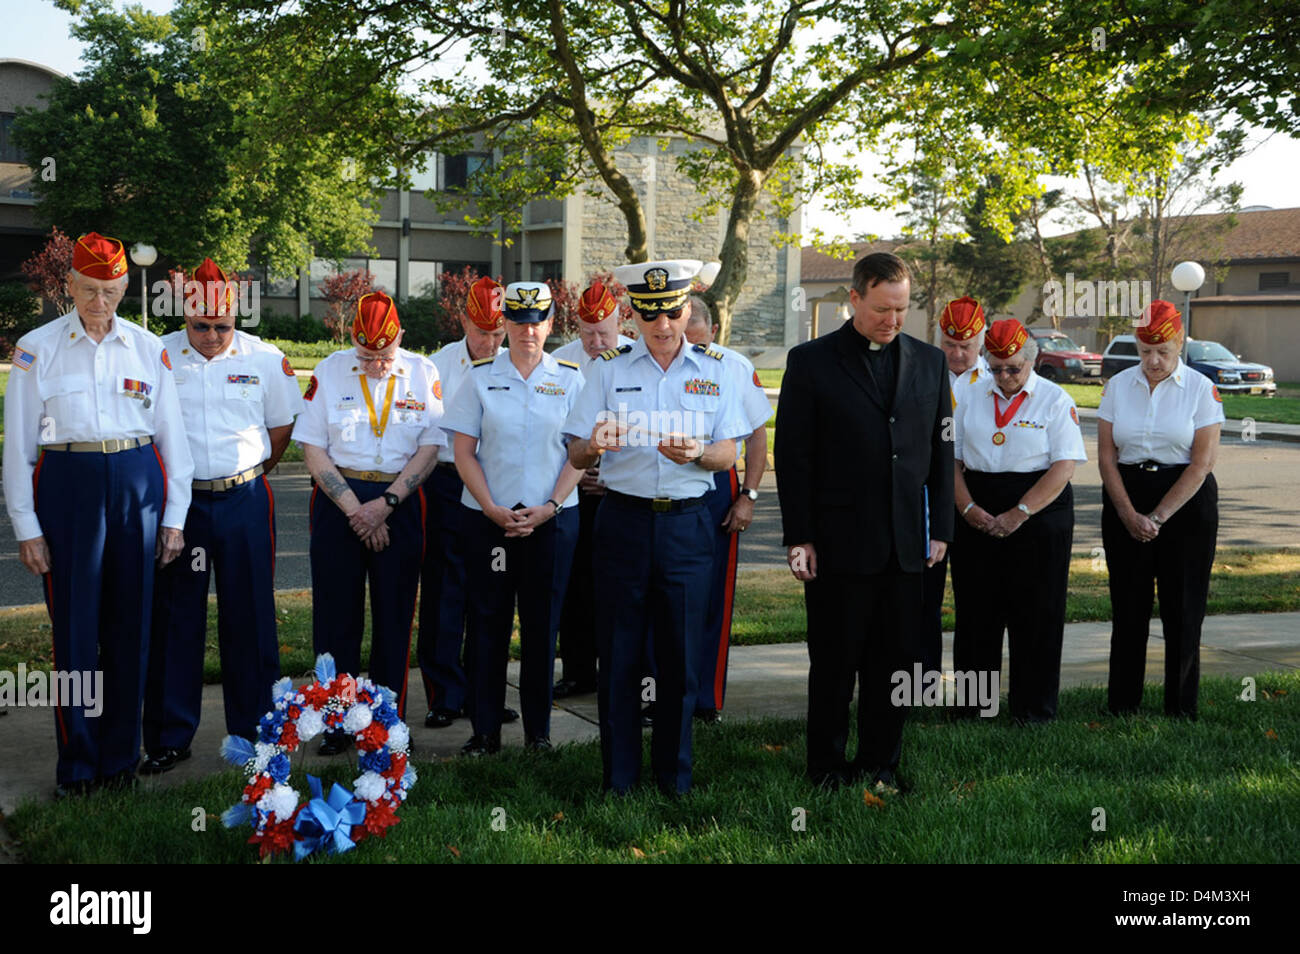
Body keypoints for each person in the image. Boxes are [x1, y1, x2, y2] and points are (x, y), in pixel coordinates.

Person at [3, 231, 194, 796]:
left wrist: (175, 519)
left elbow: (173, 441)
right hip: (68, 484)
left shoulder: (147, 347)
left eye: (111, 291)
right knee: (75, 629)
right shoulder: (36, 349)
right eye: (89, 290)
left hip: (136, 481)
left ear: (125, 287)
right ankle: (79, 763)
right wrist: (27, 526)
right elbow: (18, 446)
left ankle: (119, 759)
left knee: (131, 625)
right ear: (69, 285)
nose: (99, 303)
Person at [562, 259, 751, 796]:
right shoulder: (607, 369)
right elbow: (574, 451)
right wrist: (594, 444)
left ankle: (674, 779)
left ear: (686, 309)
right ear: (635, 316)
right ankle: (618, 780)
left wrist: (699, 453)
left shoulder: (717, 368)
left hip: (690, 526)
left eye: (671, 314)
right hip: (622, 521)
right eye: (650, 316)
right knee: (618, 655)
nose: (662, 326)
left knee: (682, 657)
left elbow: (729, 449)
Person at [775, 251, 952, 794]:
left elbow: (941, 452)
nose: (892, 320)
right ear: (853, 299)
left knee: (894, 665)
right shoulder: (810, 362)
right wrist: (799, 536)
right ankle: (826, 768)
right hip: (837, 543)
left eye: (901, 309)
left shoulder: (930, 361)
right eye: (881, 309)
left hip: (906, 546)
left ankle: (881, 765)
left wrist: (940, 527)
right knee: (833, 664)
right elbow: (794, 456)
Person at [141, 258, 304, 774]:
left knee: (251, 616)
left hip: (244, 500)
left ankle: (257, 732)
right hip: (180, 505)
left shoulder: (265, 358)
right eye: (200, 326)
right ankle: (170, 735)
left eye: (222, 326)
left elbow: (281, 429)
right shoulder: (158, 355)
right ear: (185, 318)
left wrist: (247, 474)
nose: (211, 336)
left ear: (238, 319)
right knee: (175, 618)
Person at [292, 291, 444, 752]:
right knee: (335, 618)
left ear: (400, 335)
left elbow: (431, 446)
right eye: (367, 356)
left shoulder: (423, 371)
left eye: (384, 355)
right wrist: (356, 509)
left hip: (400, 498)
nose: (377, 364)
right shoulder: (330, 370)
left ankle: (384, 723)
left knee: (394, 616)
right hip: (341, 500)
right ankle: (337, 724)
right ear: (352, 342)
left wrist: (388, 503)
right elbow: (312, 448)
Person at [442, 281, 586, 754]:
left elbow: (578, 454)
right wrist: (489, 507)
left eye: (537, 321)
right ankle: (485, 731)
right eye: (518, 321)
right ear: (505, 324)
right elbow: (463, 451)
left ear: (549, 324)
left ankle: (538, 733)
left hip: (551, 520)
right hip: (489, 522)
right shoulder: (479, 377)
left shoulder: (569, 378)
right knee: (487, 625)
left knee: (543, 627)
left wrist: (551, 507)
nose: (528, 331)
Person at [951, 319, 1086, 723]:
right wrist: (968, 508)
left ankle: (1033, 709)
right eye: (995, 368)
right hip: (977, 503)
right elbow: (950, 461)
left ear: (1033, 360)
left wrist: (1020, 513)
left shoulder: (1055, 400)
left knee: (1037, 614)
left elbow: (1064, 466)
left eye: (1013, 368)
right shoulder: (969, 396)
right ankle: (976, 706)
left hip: (1039, 509)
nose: (1004, 377)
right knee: (977, 613)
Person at [1098, 300, 1223, 718]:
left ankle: (1181, 707)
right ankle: (1122, 704)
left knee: (1183, 609)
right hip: (1127, 493)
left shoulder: (1201, 389)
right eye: (1145, 350)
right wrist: (1128, 512)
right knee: (1128, 607)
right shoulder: (1118, 386)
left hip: (1185, 501)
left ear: (1180, 343)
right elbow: (1105, 456)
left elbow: (1202, 463)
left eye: (1163, 352)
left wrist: (1157, 517)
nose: (1153, 360)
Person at [418, 276, 508, 729]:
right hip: (448, 485)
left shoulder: (520, 366)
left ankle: (485, 693)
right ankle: (445, 695)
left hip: (500, 485)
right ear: (463, 321)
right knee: (444, 592)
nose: (490, 341)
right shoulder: (434, 367)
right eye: (481, 331)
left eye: (498, 332)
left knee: (490, 594)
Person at [682, 296, 771, 721]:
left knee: (714, 595)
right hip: (667, 481)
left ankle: (706, 698)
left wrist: (748, 496)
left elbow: (756, 437)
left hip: (719, 486)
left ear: (714, 332)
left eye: (698, 342)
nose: (690, 351)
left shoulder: (734, 368)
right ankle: (654, 693)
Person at [552, 280, 633, 700]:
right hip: (573, 491)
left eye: (604, 331)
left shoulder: (637, 357)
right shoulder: (559, 364)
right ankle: (578, 670)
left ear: (621, 321)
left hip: (622, 492)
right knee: (574, 585)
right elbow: (553, 432)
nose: (596, 341)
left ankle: (618, 673)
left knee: (621, 588)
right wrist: (577, 472)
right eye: (587, 332)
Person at [920, 296, 989, 674]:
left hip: (977, 496)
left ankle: (971, 694)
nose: (958, 353)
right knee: (922, 600)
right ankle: (921, 685)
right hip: (929, 496)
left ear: (981, 340)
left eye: (966, 346)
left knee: (976, 601)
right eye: (950, 344)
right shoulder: (921, 372)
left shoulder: (998, 376)